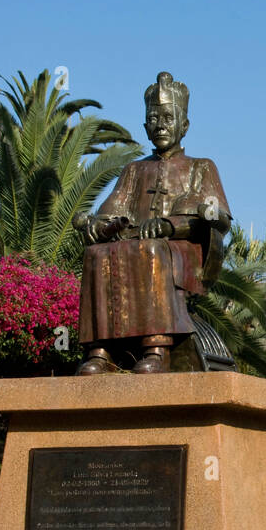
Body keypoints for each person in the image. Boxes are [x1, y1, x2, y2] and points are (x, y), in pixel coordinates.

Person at [74, 72, 232, 374]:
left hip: (182, 254)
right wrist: (97, 225)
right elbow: (111, 210)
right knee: (96, 255)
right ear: (145, 126)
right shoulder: (134, 170)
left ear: (184, 125)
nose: (160, 125)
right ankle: (100, 352)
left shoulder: (201, 167)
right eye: (153, 118)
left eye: (168, 118)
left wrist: (171, 226)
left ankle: (156, 349)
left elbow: (220, 219)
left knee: (152, 250)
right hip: (137, 247)